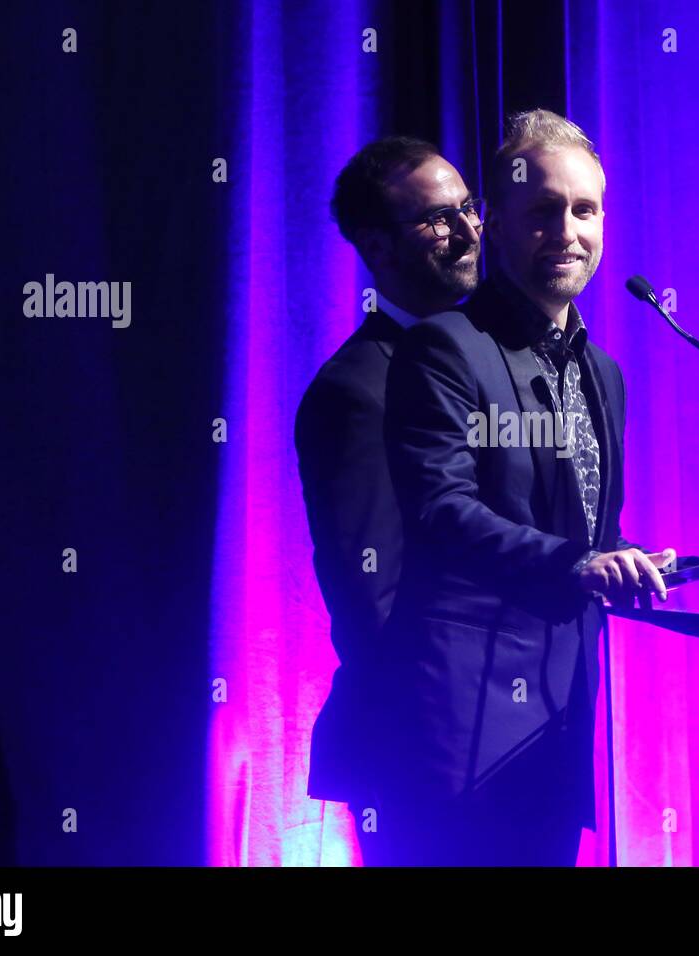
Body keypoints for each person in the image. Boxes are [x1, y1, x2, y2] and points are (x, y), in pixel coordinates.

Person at [374, 109, 675, 865]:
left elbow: (588, 535)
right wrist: (577, 564)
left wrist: (655, 566)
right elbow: (441, 508)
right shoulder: (445, 348)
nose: (567, 231)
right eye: (543, 211)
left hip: (560, 726)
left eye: (585, 210)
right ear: (496, 225)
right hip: (458, 735)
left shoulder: (603, 371)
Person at [294, 136, 482, 851]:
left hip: (519, 740)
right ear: (376, 244)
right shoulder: (357, 392)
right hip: (429, 755)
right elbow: (370, 595)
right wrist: (456, 733)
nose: (466, 231)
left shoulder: (493, 361)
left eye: (469, 209)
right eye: (438, 218)